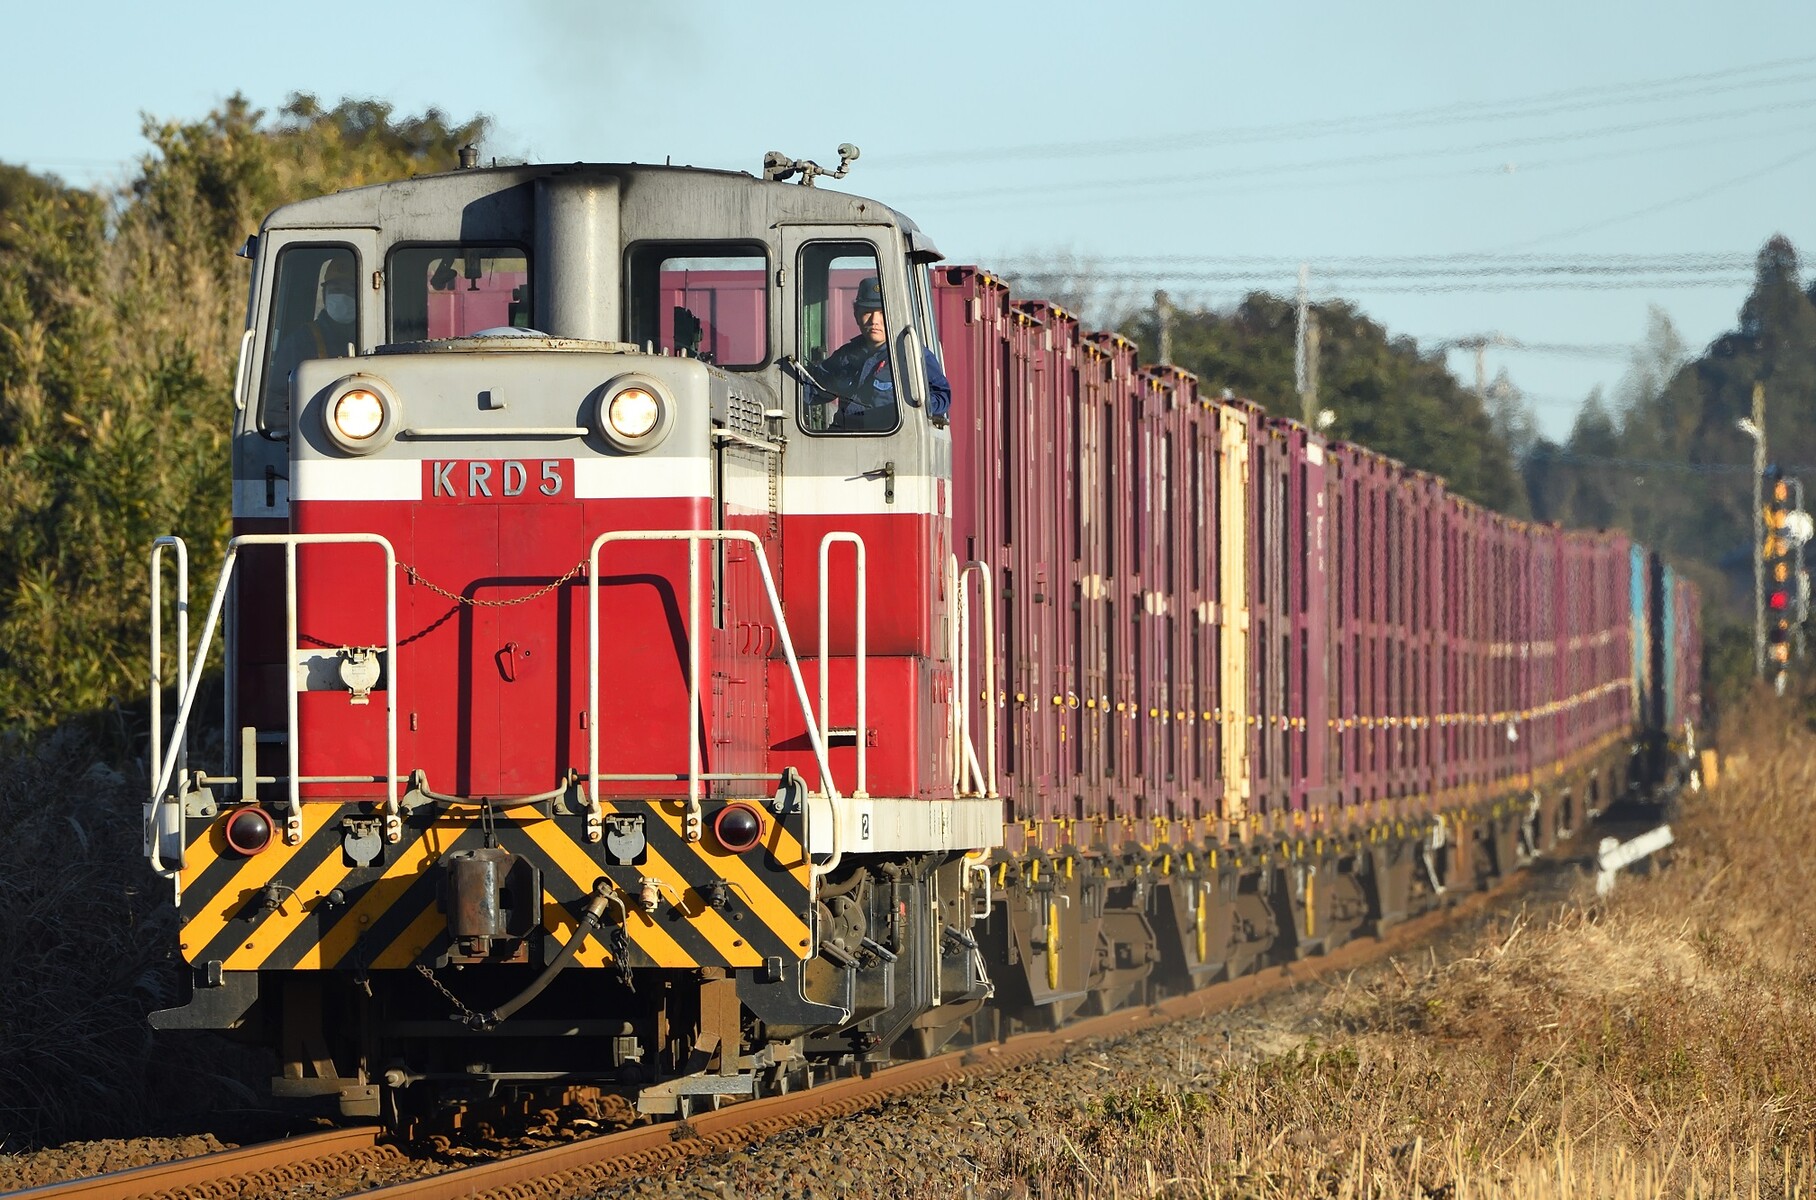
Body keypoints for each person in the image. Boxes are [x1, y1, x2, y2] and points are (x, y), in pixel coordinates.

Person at [800, 277, 951, 431]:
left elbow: (941, 397)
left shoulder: (911, 356)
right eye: (867, 312)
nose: (874, 321)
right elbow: (811, 390)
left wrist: (900, 412)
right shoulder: (845, 357)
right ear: (856, 316)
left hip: (889, 443)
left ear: (894, 316)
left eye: (881, 313)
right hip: (843, 443)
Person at [264, 255, 358, 416]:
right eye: (336, 290)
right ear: (324, 293)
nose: (343, 297)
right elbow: (275, 402)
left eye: (350, 291)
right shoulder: (300, 342)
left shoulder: (378, 340)